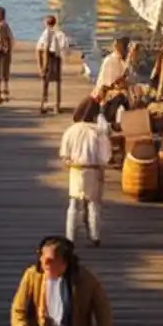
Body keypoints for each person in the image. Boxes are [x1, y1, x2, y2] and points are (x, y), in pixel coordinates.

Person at [59, 104, 112, 246]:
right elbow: (105, 156)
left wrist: (69, 161)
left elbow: (64, 154)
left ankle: (70, 236)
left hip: (76, 169)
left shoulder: (71, 130)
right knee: (93, 203)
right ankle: (95, 235)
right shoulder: (98, 132)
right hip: (93, 170)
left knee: (73, 202)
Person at [93, 37, 132, 124]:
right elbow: (109, 84)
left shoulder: (121, 60)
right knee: (122, 96)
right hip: (107, 96)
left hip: (112, 94)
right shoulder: (111, 60)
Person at [36, 15, 70, 114]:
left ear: (46, 23)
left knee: (45, 82)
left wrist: (41, 65)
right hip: (56, 58)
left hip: (47, 57)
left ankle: (43, 104)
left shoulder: (45, 33)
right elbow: (65, 47)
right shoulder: (60, 34)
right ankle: (57, 105)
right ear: (55, 23)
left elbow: (40, 48)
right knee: (57, 82)